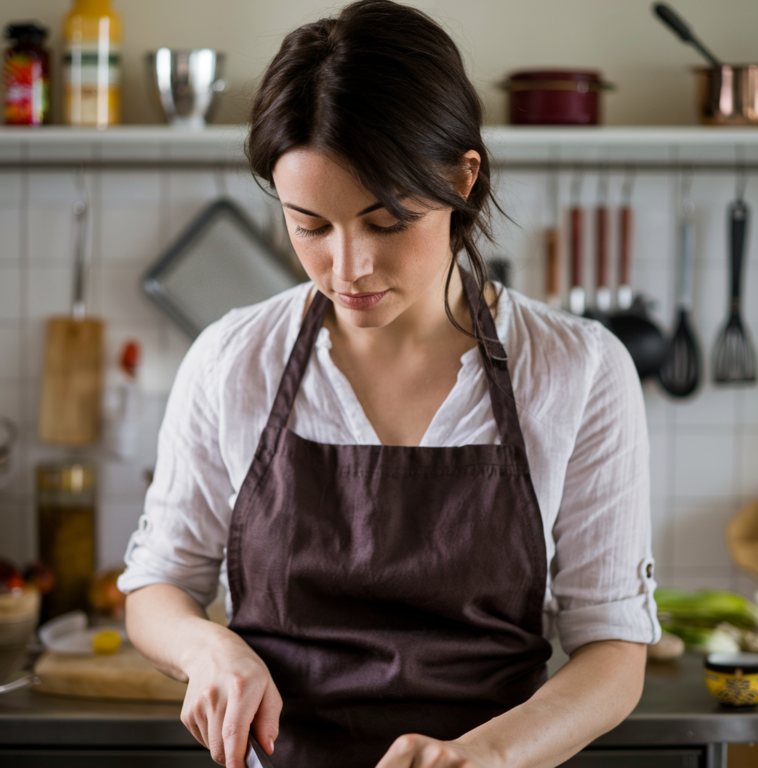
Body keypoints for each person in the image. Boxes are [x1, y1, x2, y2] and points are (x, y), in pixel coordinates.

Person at [118, 2, 661, 767]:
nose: (349, 268)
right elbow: (158, 589)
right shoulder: (231, 360)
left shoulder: (579, 369)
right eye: (310, 226)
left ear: (462, 180)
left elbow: (614, 653)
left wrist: (487, 757)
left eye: (386, 221)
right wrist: (207, 649)